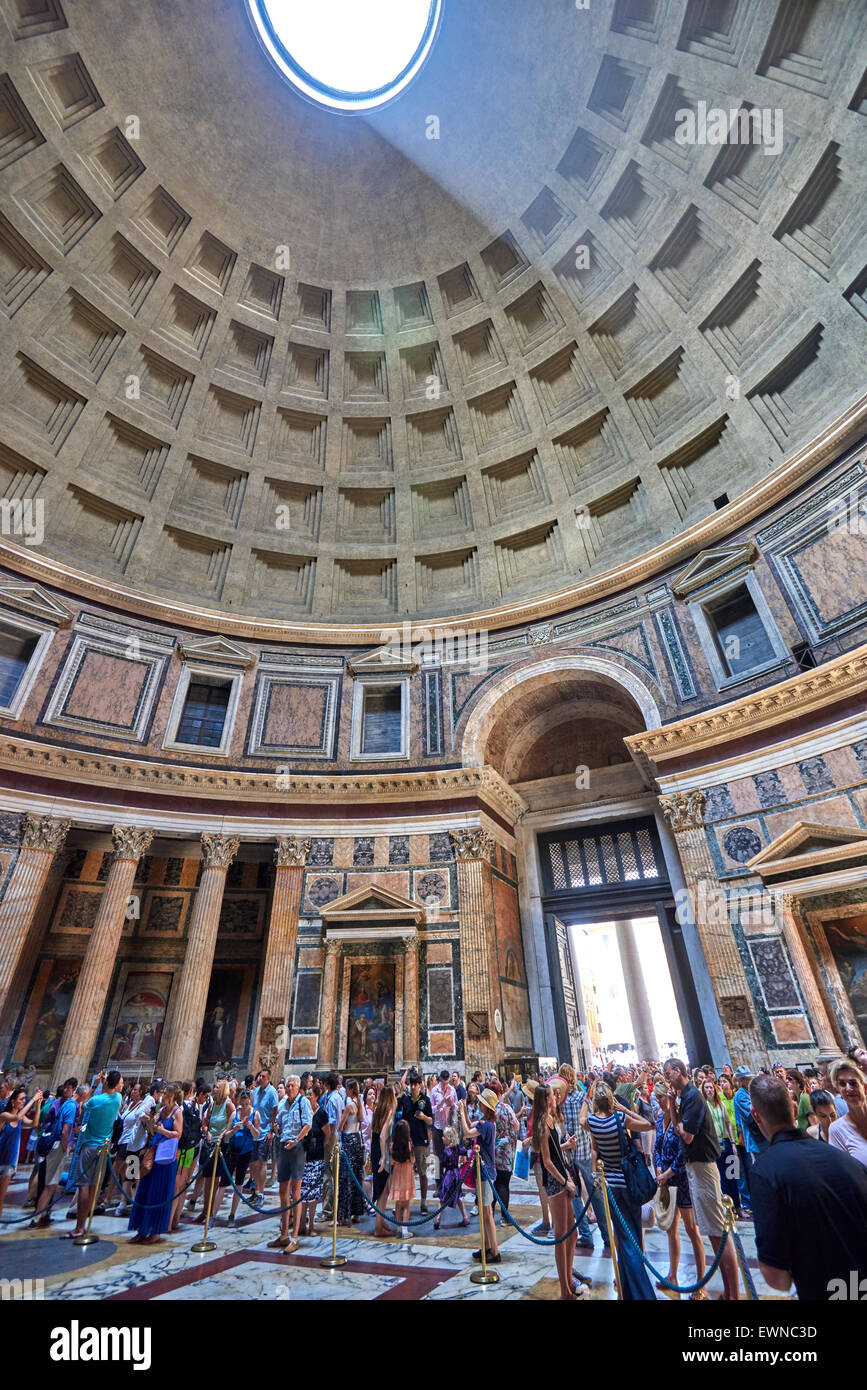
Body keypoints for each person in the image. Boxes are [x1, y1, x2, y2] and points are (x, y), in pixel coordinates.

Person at [748, 1073, 867, 1299]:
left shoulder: (765, 1172)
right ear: (794, 1110)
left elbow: (776, 1277)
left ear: (756, 1115)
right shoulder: (846, 1160)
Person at [665, 1057, 739, 1301]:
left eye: (668, 1073)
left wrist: (674, 1112)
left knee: (718, 1231)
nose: (666, 1078)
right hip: (695, 1168)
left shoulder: (693, 1097)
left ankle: (734, 1295)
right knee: (713, 1233)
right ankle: (728, 1292)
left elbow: (685, 1136)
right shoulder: (684, 1098)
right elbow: (680, 1129)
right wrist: (672, 1108)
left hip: (704, 1167)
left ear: (677, 1071)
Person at [582, 1081, 655, 1300]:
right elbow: (647, 1124)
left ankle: (626, 1283)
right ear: (611, 1100)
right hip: (627, 1182)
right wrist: (624, 1109)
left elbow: (593, 1147)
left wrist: (586, 1099)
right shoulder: (620, 1118)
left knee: (624, 1233)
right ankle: (640, 1291)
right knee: (630, 1236)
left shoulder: (593, 1122)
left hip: (610, 1186)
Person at [529, 1083, 584, 1299]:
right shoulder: (542, 1124)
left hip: (562, 1177)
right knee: (561, 1236)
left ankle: (569, 1280)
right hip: (555, 1182)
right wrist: (565, 1182)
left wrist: (566, 1148)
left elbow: (554, 1152)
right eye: (552, 1095)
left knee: (572, 1233)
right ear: (546, 1100)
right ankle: (564, 1291)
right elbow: (547, 1161)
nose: (556, 1096)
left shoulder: (552, 1119)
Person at [654, 1080, 706, 1299]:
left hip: (681, 1179)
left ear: (670, 1098)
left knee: (692, 1229)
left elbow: (683, 1152)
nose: (660, 1102)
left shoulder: (680, 1120)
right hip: (665, 1179)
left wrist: (667, 1173)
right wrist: (658, 1169)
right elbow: (656, 1146)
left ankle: (700, 1284)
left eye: (662, 1098)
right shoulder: (659, 1119)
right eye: (656, 1098)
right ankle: (673, 1275)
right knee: (670, 1229)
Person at [62, 1069, 123, 1240]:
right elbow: (110, 1093)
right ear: (116, 1085)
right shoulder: (117, 1099)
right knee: (94, 1186)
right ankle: (84, 1223)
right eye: (121, 1083)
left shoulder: (96, 1100)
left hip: (89, 1146)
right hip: (104, 1147)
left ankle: (80, 1226)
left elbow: (83, 1105)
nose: (122, 1085)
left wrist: (95, 1085)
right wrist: (105, 1085)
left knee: (84, 1185)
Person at [558, 1067, 610, 1254]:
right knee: (594, 1192)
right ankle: (606, 1235)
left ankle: (586, 1235)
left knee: (574, 1194)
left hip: (567, 1151)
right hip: (584, 1149)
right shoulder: (583, 1098)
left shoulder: (559, 1101)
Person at [128, 1082, 182, 1245]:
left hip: (167, 1156)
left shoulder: (177, 1112)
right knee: (145, 1191)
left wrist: (163, 1131)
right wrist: (149, 1121)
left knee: (160, 1193)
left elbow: (178, 1134)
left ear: (171, 1096)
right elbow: (152, 1130)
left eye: (164, 1093)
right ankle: (142, 1229)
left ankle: (156, 1231)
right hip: (153, 1151)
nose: (161, 1095)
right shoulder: (159, 1110)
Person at [269, 1073, 312, 1253]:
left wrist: (296, 1140)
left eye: (293, 1086)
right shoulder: (281, 1104)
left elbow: (308, 1125)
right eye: (288, 1086)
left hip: (297, 1148)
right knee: (283, 1192)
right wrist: (276, 1129)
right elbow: (277, 1123)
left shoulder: (304, 1102)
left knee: (296, 1191)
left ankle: (295, 1236)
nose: (289, 1089)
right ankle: (284, 1233)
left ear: (298, 1087)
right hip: (282, 1146)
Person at [459, 1088, 500, 1266]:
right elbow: (470, 1124)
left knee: (487, 1212)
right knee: (484, 1212)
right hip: (483, 1170)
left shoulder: (486, 1125)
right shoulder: (486, 1123)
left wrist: (460, 1112)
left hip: (485, 1172)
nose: (479, 1103)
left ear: (487, 1106)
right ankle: (486, 1246)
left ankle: (495, 1251)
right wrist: (465, 1113)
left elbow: (468, 1132)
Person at [32, 1078, 80, 1228]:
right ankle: (38, 1217)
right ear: (72, 1088)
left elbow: (44, 1122)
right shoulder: (71, 1106)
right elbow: (65, 1131)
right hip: (58, 1145)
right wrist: (66, 1149)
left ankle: (41, 1214)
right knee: (51, 1185)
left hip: (46, 1143)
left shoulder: (55, 1103)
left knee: (45, 1181)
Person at [211, 1088, 259, 1227]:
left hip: (245, 1151)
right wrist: (234, 1130)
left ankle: (232, 1214)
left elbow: (257, 1135)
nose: (244, 1107)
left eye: (247, 1104)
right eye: (242, 1104)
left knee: (239, 1183)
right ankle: (213, 1214)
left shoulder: (255, 1114)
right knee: (223, 1184)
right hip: (232, 1151)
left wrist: (250, 1127)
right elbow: (226, 1135)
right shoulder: (234, 1114)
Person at [191, 1078, 234, 1216]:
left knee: (215, 1179)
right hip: (209, 1144)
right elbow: (204, 1123)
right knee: (207, 1177)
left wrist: (222, 1134)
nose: (213, 1089)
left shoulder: (228, 1104)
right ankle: (204, 1211)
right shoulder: (212, 1104)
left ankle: (210, 1212)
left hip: (221, 1146)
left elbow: (232, 1123)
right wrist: (207, 1132)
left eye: (216, 1087)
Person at [0, 1085, 42, 1219]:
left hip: (9, 1161)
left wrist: (39, 1104)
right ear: (13, 1101)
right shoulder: (4, 1115)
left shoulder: (20, 1117)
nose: (23, 1101)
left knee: (1, 1196)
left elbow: (34, 1124)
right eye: (21, 1099)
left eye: (25, 1099)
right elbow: (17, 1117)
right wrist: (32, 1100)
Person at [702, 1077, 740, 1216]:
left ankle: (738, 1206)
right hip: (715, 1144)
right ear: (703, 1091)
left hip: (726, 1141)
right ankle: (729, 1208)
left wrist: (733, 1142)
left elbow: (728, 1123)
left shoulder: (721, 1104)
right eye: (706, 1088)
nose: (709, 1090)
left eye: (711, 1087)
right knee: (722, 1178)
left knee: (733, 1174)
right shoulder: (704, 1106)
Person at [396, 1068, 433, 1212]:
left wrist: (423, 1117)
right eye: (411, 1084)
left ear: (420, 1084)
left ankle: (423, 1202)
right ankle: (405, 1203)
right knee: (406, 1174)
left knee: (423, 1172)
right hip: (406, 1141)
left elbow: (431, 1121)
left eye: (415, 1084)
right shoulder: (405, 1099)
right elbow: (400, 1117)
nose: (412, 1087)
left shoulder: (426, 1100)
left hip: (421, 1140)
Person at [301, 1086, 330, 1238]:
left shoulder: (321, 1114)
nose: (307, 1097)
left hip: (316, 1157)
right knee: (301, 1193)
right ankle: (301, 1224)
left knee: (312, 1194)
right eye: (307, 1094)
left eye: (310, 1095)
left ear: (317, 1097)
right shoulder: (303, 1111)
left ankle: (311, 1225)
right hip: (302, 1156)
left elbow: (327, 1134)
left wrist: (320, 1148)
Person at [827, 1059, 867, 1168]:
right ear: (838, 1090)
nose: (848, 1088)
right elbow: (844, 1171)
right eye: (842, 1084)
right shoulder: (837, 1130)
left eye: (853, 1083)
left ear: (865, 1087)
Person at [337, 1079, 366, 1224]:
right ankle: (357, 1213)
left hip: (348, 1141)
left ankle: (343, 1216)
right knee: (356, 1177)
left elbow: (340, 1126)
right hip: (356, 1140)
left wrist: (341, 1126)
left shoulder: (349, 1106)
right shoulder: (358, 1104)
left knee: (345, 1179)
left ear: (349, 1089)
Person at [249, 1067, 278, 1209]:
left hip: (265, 1132)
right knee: (254, 1163)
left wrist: (271, 1131)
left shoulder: (272, 1092)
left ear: (269, 1079)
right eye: (259, 1076)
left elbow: (275, 1112)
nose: (260, 1078)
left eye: (263, 1077)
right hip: (254, 1132)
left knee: (262, 1163)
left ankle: (261, 1193)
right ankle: (255, 1190)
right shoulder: (255, 1092)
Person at [491, 1077, 518, 1222]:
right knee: (504, 1184)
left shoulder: (489, 1110)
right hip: (507, 1150)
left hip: (493, 1150)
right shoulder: (506, 1108)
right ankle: (504, 1216)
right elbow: (516, 1126)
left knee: (496, 1182)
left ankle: (489, 1210)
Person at [433, 1125, 470, 1230]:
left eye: (444, 1136)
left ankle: (438, 1219)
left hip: (449, 1175)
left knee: (442, 1197)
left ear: (449, 1138)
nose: (442, 1138)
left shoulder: (445, 1151)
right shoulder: (457, 1148)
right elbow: (465, 1151)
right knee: (458, 1197)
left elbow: (443, 1163)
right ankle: (465, 1217)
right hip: (457, 1174)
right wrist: (464, 1158)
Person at [371, 1084, 396, 1238]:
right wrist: (384, 1156)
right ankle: (378, 1228)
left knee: (381, 1187)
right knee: (383, 1191)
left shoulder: (377, 1110)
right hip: (382, 1150)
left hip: (375, 1149)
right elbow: (382, 1135)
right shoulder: (389, 1110)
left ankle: (381, 1222)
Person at [320, 1072, 344, 1220]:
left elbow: (332, 1122)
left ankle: (327, 1210)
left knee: (328, 1174)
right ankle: (333, 1207)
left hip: (331, 1137)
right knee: (334, 1173)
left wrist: (325, 1139)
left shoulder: (332, 1099)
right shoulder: (339, 1097)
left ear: (327, 1085)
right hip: (336, 1136)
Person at [388, 1117, 415, 1239]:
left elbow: (392, 1161)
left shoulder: (392, 1145)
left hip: (397, 1173)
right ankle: (405, 1229)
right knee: (406, 1204)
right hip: (407, 1173)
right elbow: (413, 1160)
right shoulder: (409, 1144)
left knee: (398, 1203)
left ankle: (398, 1228)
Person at [430, 1069, 456, 1180]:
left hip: (449, 1127)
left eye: (447, 1083)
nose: (445, 1085)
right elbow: (430, 1109)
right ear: (440, 1080)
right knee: (438, 1155)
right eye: (443, 1083)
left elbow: (457, 1108)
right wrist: (439, 1105)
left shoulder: (452, 1090)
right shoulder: (434, 1091)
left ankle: (449, 1181)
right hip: (438, 1127)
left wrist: (452, 1104)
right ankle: (439, 1184)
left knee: (450, 1155)